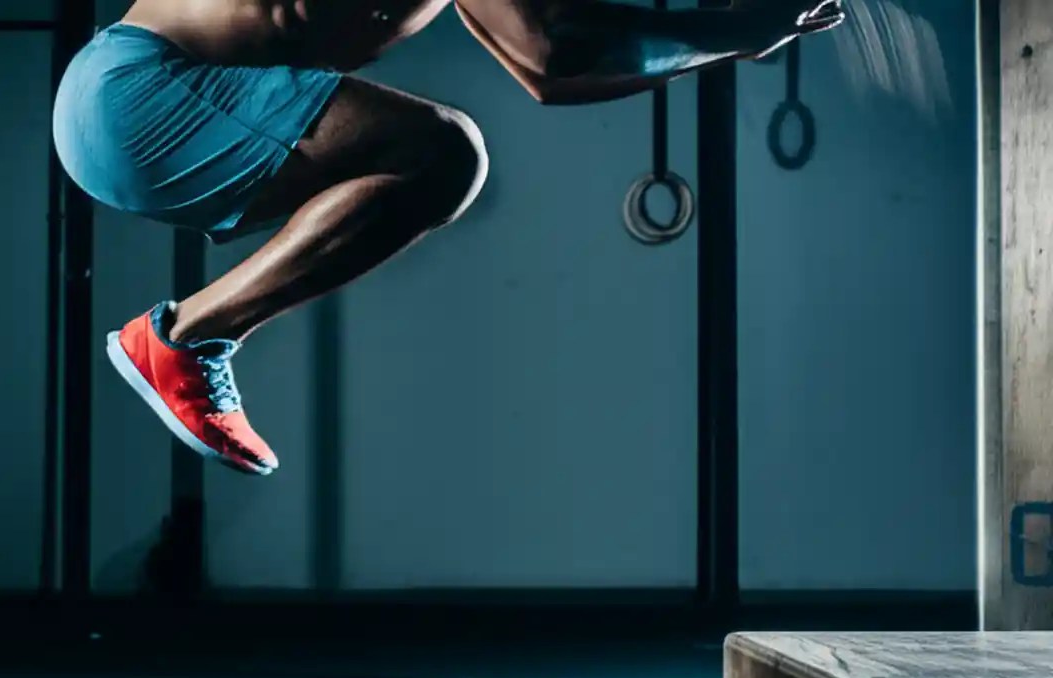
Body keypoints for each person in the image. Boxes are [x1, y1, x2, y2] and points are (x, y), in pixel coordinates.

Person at [52, 0, 844, 476]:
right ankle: (186, 338)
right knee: (443, 151)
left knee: (437, 162)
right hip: (143, 95)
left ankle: (186, 340)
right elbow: (567, 45)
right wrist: (742, 26)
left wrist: (737, 35)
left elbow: (548, 69)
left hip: (126, 114)